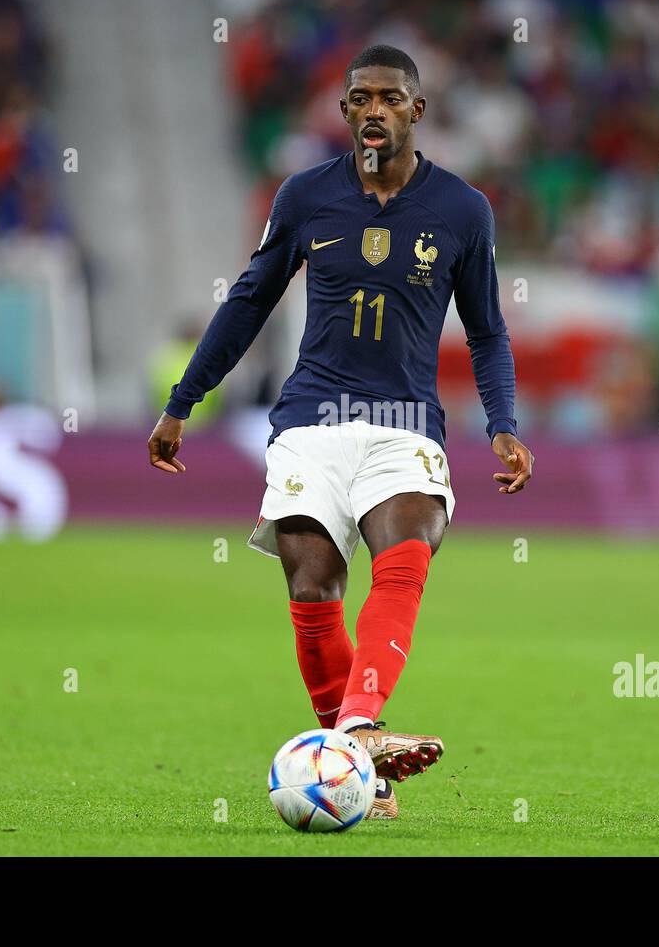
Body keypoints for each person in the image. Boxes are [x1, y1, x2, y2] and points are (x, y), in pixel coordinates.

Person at [147, 45, 532, 819]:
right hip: (311, 422)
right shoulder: (303, 197)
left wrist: (503, 424)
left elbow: (487, 332)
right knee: (312, 582)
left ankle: (355, 729)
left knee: (405, 548)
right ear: (346, 112)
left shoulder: (462, 210)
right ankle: (365, 765)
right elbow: (249, 300)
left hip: (406, 427)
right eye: (361, 99)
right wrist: (183, 400)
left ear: (416, 113)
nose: (375, 111)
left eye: (391, 98)